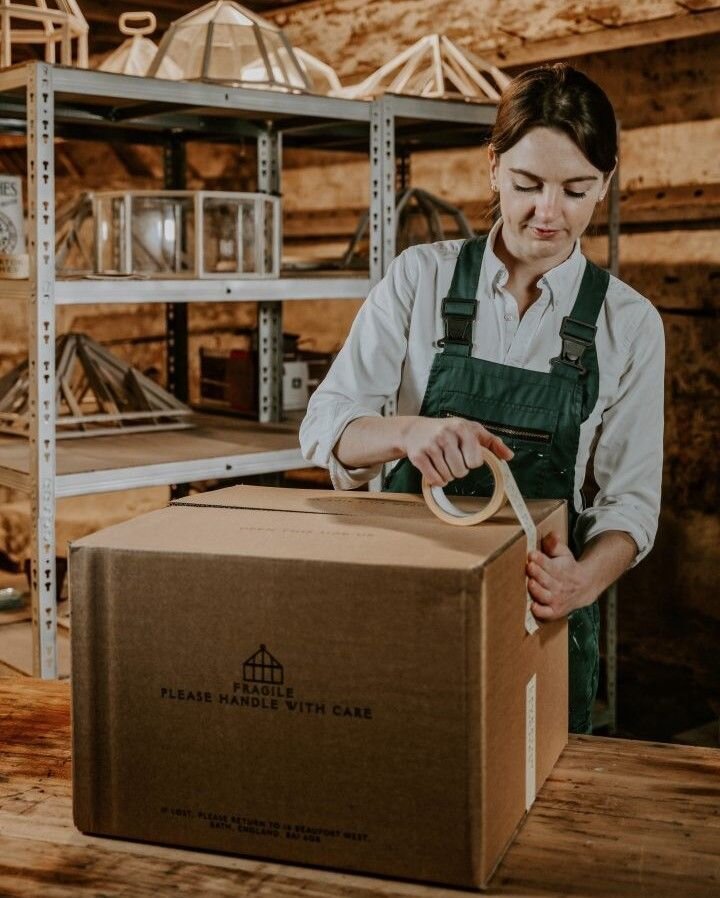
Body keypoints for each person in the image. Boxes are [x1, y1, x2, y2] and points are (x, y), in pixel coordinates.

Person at [299, 63, 664, 734]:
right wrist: (407, 433)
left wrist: (582, 581)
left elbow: (632, 502)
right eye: (527, 185)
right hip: (406, 607)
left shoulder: (629, 322)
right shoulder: (420, 280)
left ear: (605, 184)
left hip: (538, 618)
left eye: (576, 190)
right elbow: (326, 425)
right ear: (493, 167)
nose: (548, 213)